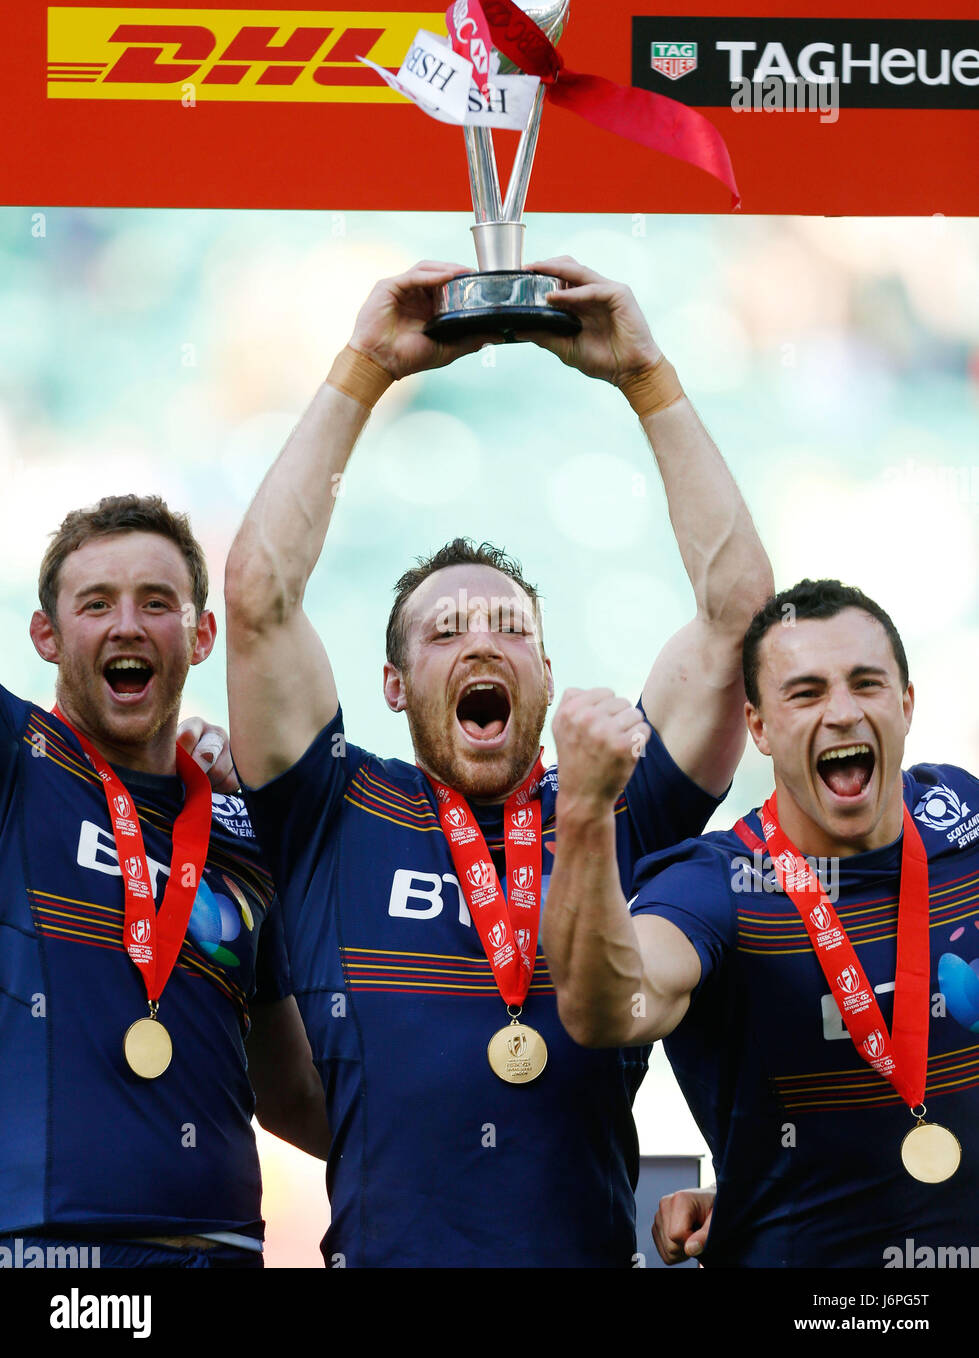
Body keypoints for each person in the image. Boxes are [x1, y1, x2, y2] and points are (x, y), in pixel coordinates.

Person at [224, 255, 773, 1267]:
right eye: (442, 632)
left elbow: (741, 618)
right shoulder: (332, 808)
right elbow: (258, 595)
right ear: (392, 686)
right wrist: (365, 369)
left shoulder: (614, 807)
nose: (479, 643)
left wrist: (645, 380)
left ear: (547, 668)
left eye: (506, 627)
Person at [544, 578, 979, 1267]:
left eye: (865, 684)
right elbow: (608, 1010)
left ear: (906, 704)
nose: (840, 712)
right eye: (805, 693)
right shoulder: (717, 883)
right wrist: (584, 814)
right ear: (758, 727)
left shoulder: (960, 810)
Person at [0, 494, 329, 1269]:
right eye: (95, 604)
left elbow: (294, 1094)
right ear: (45, 636)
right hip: (48, 1256)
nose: (127, 625)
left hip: (219, 1250)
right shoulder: (18, 765)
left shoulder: (242, 828)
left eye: (157, 602)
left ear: (201, 634)